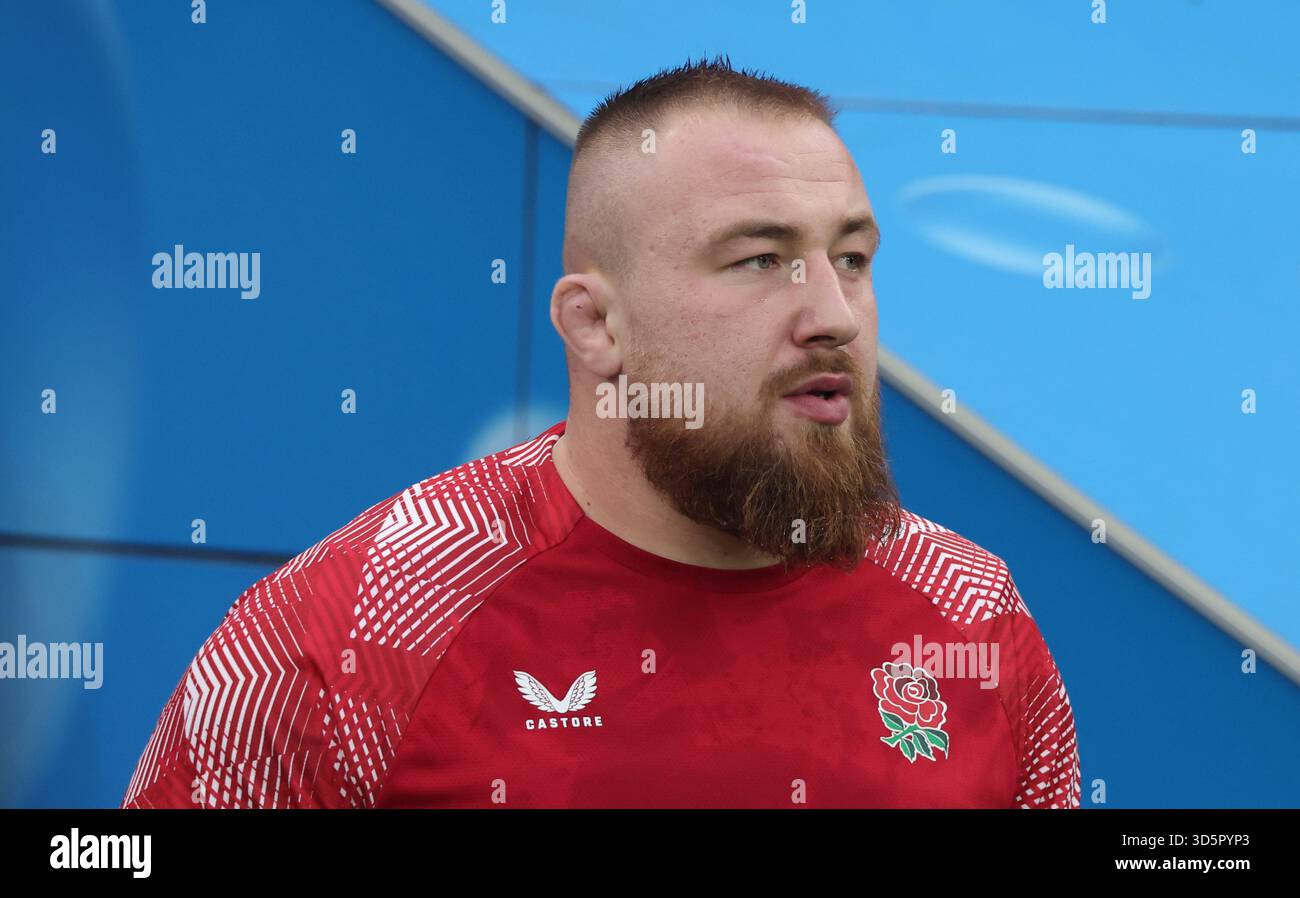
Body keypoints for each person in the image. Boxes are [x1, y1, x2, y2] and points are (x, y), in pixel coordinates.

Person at [122, 56, 1080, 809]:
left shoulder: (972, 612)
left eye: (853, 258)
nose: (832, 312)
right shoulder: (359, 627)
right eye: (760, 259)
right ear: (595, 325)